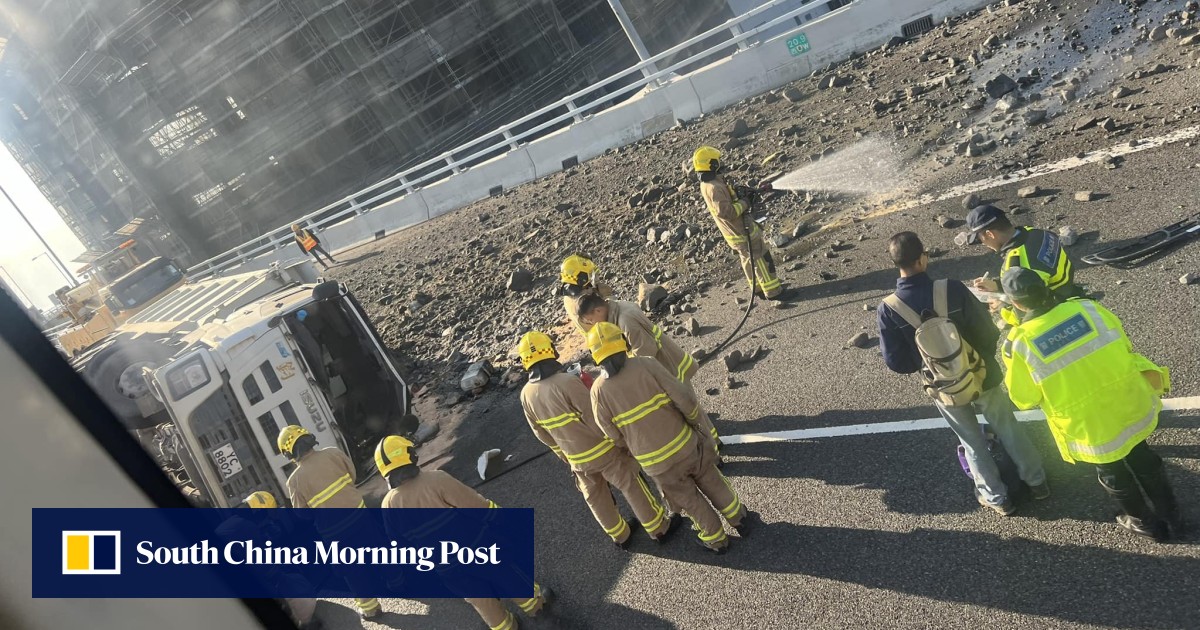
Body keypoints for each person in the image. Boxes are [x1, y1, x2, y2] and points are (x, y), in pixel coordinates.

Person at [1000, 267, 1182, 541]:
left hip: (1089, 423)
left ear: (1015, 303)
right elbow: (1123, 342)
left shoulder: (1020, 344)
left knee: (1112, 471)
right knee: (1143, 456)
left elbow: (1024, 399)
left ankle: (1146, 523)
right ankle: (1172, 515)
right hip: (1127, 401)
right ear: (1045, 288)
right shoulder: (1088, 308)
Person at [877, 232, 1048, 515]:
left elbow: (896, 362)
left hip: (944, 388)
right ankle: (1037, 482)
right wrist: (977, 361)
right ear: (923, 259)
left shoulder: (889, 309)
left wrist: (927, 365)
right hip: (983, 375)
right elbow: (987, 332)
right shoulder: (952, 289)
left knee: (971, 442)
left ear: (896, 264)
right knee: (1008, 427)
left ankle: (997, 498)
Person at [587, 322, 756, 553]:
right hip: (686, 445)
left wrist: (632, 445)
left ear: (595, 356)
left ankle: (716, 539)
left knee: (689, 501)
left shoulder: (598, 391)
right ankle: (740, 518)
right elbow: (684, 398)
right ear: (623, 342)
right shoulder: (646, 364)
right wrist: (696, 424)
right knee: (711, 479)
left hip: (657, 465)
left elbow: (611, 434)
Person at [516, 331, 677, 548]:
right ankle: (658, 528)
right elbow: (595, 419)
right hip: (604, 451)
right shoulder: (566, 383)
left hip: (576, 459)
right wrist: (620, 442)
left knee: (595, 497)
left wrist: (562, 452)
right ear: (550, 352)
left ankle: (620, 535)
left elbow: (540, 433)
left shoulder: (526, 395)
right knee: (631, 483)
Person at [375, 435, 553, 630]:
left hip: (446, 567)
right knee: (508, 576)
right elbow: (476, 506)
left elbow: (399, 544)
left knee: (480, 599)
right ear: (412, 456)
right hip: (479, 548)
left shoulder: (388, 504)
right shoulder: (436, 480)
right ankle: (537, 608)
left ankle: (505, 627)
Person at [577, 293, 720, 450]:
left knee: (687, 406)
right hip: (667, 362)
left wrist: (626, 372)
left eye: (591, 320)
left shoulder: (625, 320)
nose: (593, 324)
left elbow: (644, 352)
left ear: (598, 311)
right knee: (689, 404)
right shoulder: (617, 306)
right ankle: (712, 441)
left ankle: (711, 448)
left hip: (665, 366)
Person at [277, 426, 381, 619]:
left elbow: (302, 514)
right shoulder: (333, 453)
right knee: (379, 549)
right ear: (309, 438)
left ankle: (370, 609)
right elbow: (353, 476)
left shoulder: (294, 481)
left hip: (334, 532)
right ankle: (399, 583)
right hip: (359, 514)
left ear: (288, 453)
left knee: (352, 570)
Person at [963, 204, 1082, 327]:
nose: (983, 243)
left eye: (980, 239)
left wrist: (1001, 307)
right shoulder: (1038, 233)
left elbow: (1025, 315)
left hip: (1057, 312)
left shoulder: (1015, 264)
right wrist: (997, 285)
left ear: (990, 234)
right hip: (1070, 291)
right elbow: (1037, 272)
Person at [692, 146, 785, 300]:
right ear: (711, 164)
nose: (720, 163)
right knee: (760, 257)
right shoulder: (714, 187)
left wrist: (740, 195)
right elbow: (726, 212)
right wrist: (745, 202)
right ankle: (773, 292)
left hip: (734, 233)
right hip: (741, 231)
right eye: (717, 161)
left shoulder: (708, 183)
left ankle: (758, 289)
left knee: (747, 259)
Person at [560, 254, 612, 336]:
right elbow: (610, 320)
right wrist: (608, 297)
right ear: (581, 278)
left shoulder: (568, 295)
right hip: (607, 339)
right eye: (591, 275)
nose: (595, 278)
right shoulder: (583, 304)